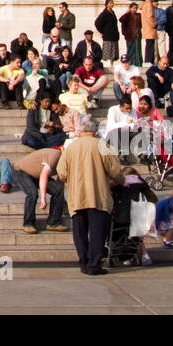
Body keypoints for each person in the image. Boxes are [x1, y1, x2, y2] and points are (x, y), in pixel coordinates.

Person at [57, 113, 124, 275]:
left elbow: (61, 173)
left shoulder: (71, 147)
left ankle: (84, 262)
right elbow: (115, 171)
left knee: (79, 233)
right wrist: (119, 181)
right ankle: (94, 264)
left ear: (81, 132)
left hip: (77, 197)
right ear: (95, 132)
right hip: (98, 196)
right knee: (97, 233)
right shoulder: (102, 146)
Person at [14, 145, 68, 234]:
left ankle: (53, 223)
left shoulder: (65, 162)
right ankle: (28, 223)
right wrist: (43, 198)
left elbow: (60, 179)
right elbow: (44, 175)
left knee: (58, 189)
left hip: (37, 174)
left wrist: (61, 200)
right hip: (21, 171)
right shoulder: (55, 155)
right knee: (32, 193)